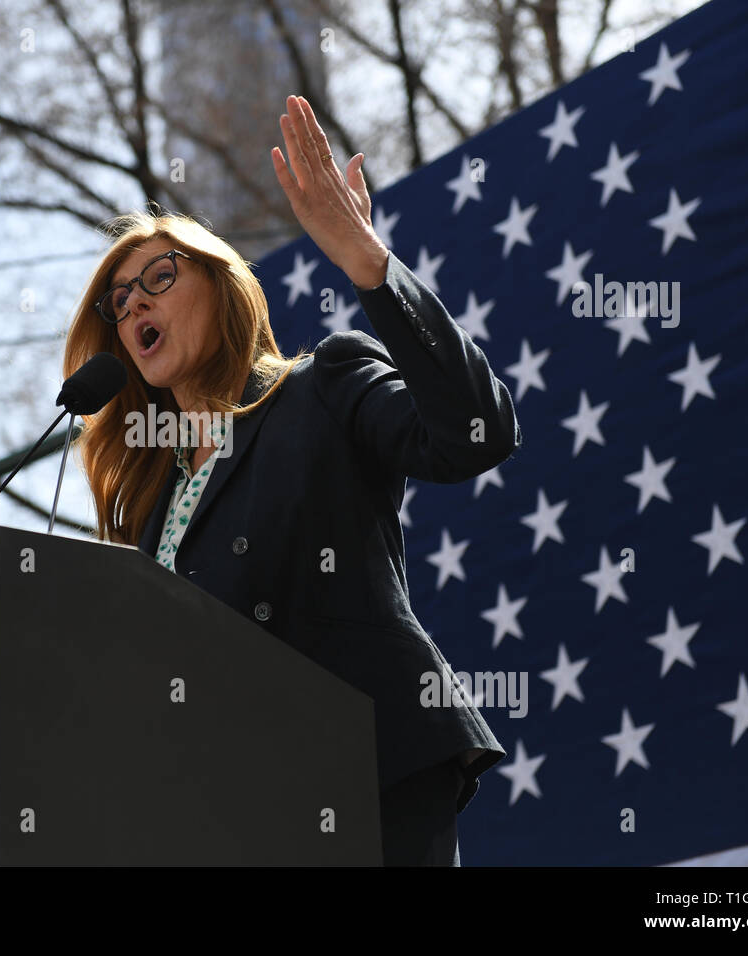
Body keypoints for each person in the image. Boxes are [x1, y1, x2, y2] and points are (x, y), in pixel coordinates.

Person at [61, 94, 522, 865]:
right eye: (119, 300)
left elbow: (476, 436)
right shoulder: (150, 510)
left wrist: (368, 266)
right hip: (228, 817)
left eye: (159, 277)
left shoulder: (323, 384)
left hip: (367, 774)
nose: (133, 301)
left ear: (223, 285)